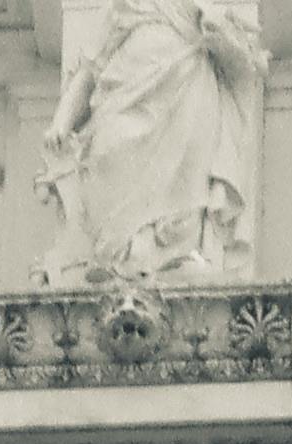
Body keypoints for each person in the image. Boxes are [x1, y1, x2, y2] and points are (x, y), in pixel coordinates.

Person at [38, 0, 258, 284]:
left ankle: (172, 254)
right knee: (106, 155)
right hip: (124, 100)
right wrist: (62, 121)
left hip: (188, 99)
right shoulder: (125, 5)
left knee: (185, 182)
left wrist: (220, 35)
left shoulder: (204, 8)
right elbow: (89, 70)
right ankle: (114, 254)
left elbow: (243, 65)